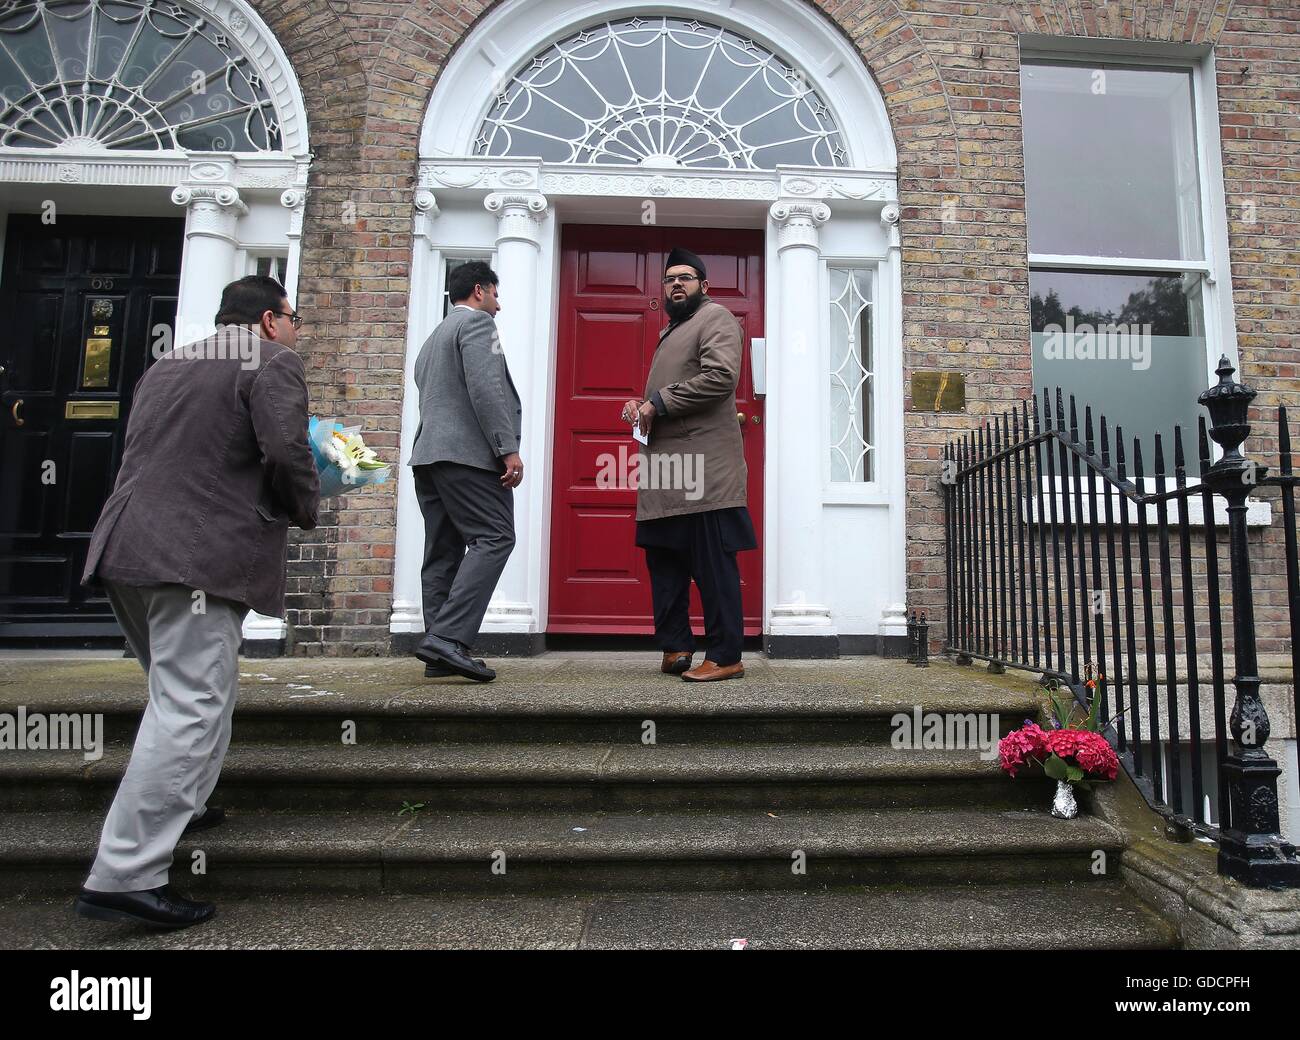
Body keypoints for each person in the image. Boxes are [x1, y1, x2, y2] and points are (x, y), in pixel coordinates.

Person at [75, 275, 319, 929]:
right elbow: (285, 450)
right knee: (191, 706)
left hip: (125, 548)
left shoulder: (169, 363)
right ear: (270, 320)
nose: (297, 332)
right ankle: (125, 874)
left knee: (177, 697)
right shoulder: (272, 360)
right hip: (194, 560)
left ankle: (183, 798)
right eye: (295, 319)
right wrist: (309, 503)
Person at [621, 247, 755, 682]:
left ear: (704, 285)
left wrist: (657, 402)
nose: (676, 284)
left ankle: (726, 654)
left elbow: (720, 379)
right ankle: (676, 646)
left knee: (712, 565)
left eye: (686, 277)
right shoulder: (672, 330)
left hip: (704, 469)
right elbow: (670, 391)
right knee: (664, 560)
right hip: (666, 469)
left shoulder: (715, 318)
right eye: (670, 279)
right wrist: (642, 405)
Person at [409, 261, 522, 682]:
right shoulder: (477, 326)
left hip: (429, 458)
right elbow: (486, 388)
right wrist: (506, 448)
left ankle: (439, 652)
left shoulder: (433, 337)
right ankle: (449, 639)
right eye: (495, 294)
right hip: (467, 458)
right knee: (496, 537)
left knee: (443, 548)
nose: (499, 305)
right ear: (479, 291)